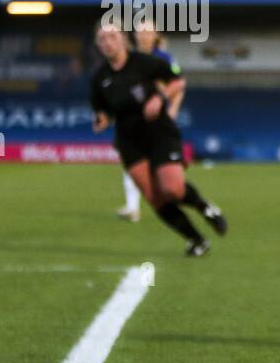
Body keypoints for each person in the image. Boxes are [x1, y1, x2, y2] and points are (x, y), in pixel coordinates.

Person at [89, 20, 226, 256]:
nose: (107, 42)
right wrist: (102, 120)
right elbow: (103, 111)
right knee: (155, 198)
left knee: (172, 189)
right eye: (102, 39)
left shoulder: (145, 62)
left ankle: (205, 208)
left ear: (122, 39)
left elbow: (178, 80)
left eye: (112, 36)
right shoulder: (99, 78)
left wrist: (160, 98)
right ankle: (197, 241)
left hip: (159, 131)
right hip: (129, 140)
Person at [117, 19, 184, 221]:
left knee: (160, 165)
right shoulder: (130, 58)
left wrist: (172, 111)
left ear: (155, 35)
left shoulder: (164, 59)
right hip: (135, 120)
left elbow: (179, 86)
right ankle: (132, 208)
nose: (143, 35)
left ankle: (172, 198)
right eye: (140, 31)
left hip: (158, 121)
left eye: (148, 32)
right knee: (133, 162)